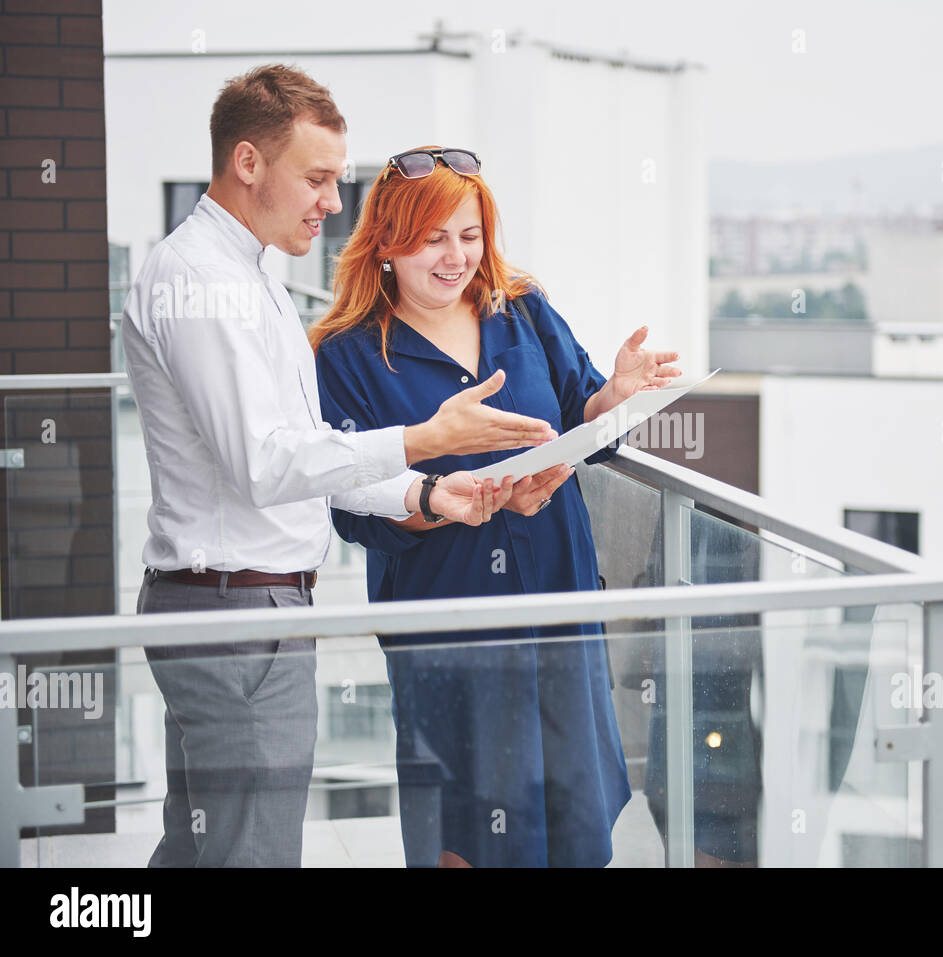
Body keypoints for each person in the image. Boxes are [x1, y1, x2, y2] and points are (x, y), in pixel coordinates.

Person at [121, 68, 556, 867]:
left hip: (245, 612)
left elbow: (308, 451)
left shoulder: (247, 278)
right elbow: (266, 464)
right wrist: (420, 440)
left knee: (199, 850)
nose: (331, 202)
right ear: (248, 163)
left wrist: (427, 490)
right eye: (316, 178)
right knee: (248, 855)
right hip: (236, 616)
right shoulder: (200, 283)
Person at [310, 145, 682, 866]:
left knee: (575, 829)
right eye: (433, 237)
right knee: (469, 838)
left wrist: (617, 398)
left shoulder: (523, 311)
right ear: (386, 242)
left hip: (557, 612)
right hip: (452, 633)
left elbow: (582, 413)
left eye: (471, 235)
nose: (456, 257)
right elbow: (352, 504)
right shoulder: (345, 355)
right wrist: (445, 504)